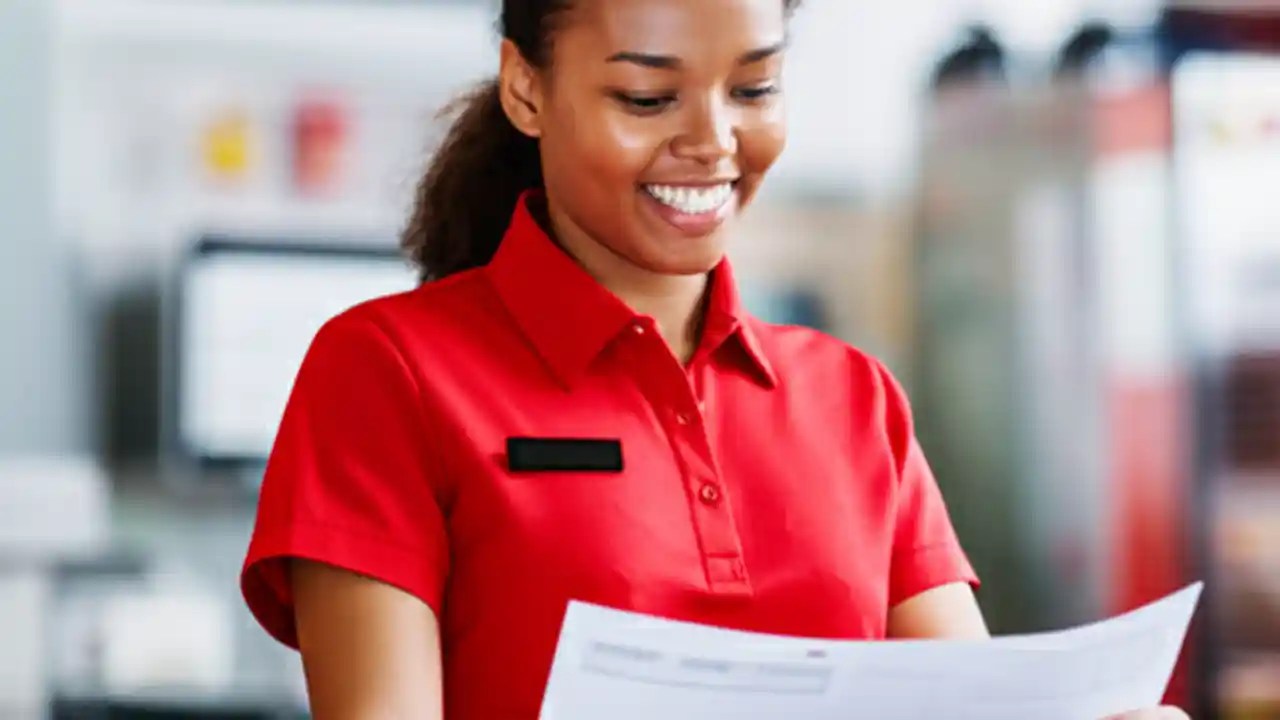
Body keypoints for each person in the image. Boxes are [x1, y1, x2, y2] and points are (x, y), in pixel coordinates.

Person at [239, 1, 1191, 718]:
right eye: (647, 96)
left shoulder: (852, 399)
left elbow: (966, 704)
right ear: (527, 88)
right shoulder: (387, 372)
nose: (712, 141)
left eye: (754, 88)